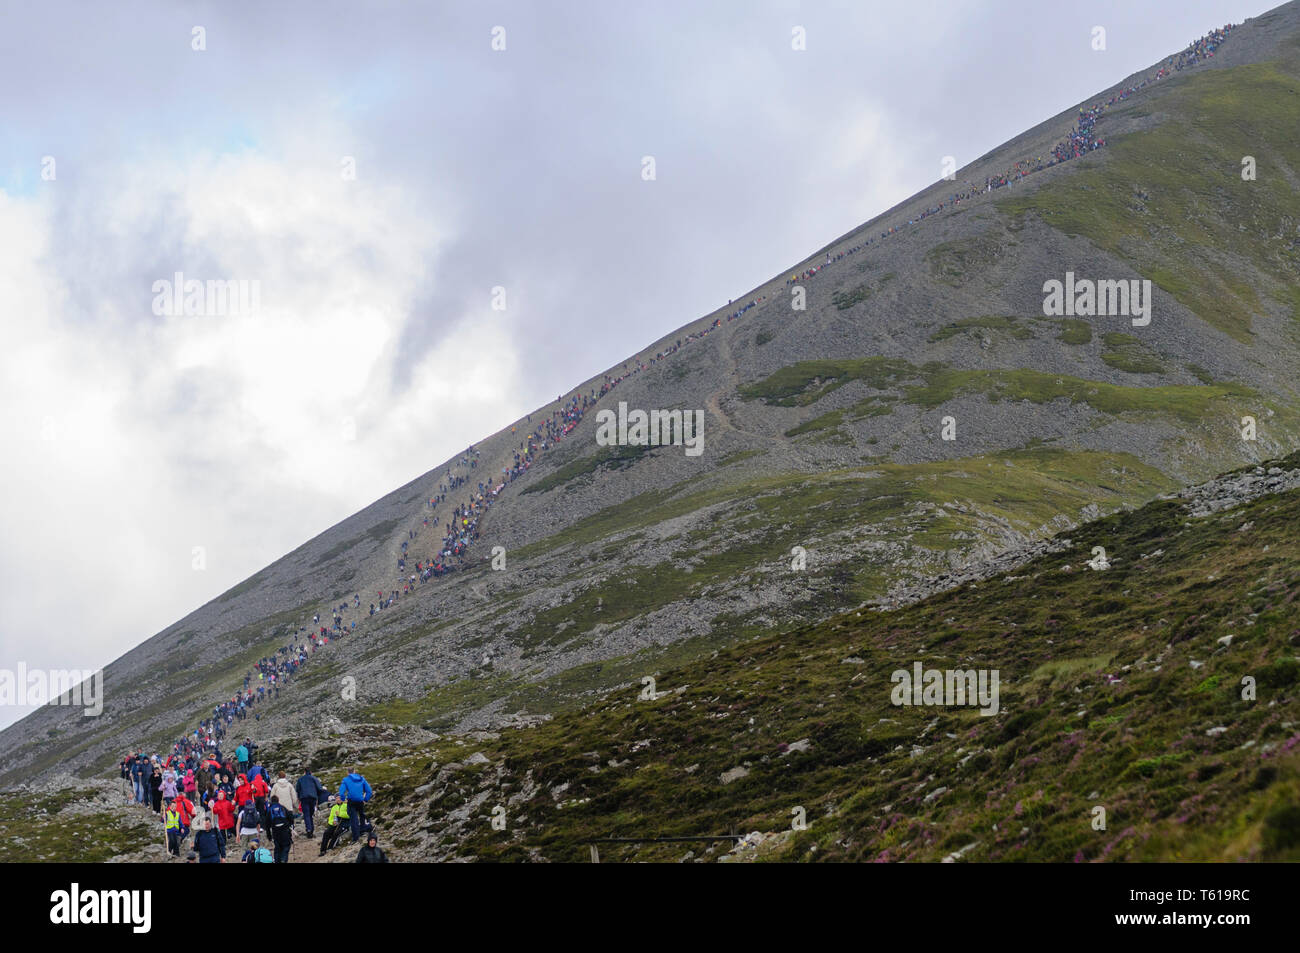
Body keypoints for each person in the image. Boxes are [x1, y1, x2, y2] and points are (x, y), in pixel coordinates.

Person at [338, 768, 373, 843]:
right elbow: (369, 791)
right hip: (360, 801)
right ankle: (363, 830)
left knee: (353, 819)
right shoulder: (362, 778)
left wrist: (343, 799)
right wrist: (365, 799)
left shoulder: (345, 779)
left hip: (351, 801)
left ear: (347, 773)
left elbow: (341, 793)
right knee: (362, 815)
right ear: (354, 771)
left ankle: (355, 838)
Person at [295, 768, 329, 839]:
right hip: (313, 798)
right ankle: (311, 829)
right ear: (311, 772)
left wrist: (299, 797)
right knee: (310, 813)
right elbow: (319, 788)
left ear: (304, 772)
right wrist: (317, 796)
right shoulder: (314, 778)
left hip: (304, 798)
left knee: (306, 814)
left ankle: (309, 830)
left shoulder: (300, 779)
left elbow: (297, 789)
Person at [266, 795, 294, 863]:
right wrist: (290, 825)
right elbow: (291, 817)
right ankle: (283, 859)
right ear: (278, 800)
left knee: (277, 847)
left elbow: (267, 825)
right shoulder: (283, 807)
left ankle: (277, 861)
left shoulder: (269, 810)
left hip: (275, 831)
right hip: (285, 829)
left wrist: (269, 836)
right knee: (286, 845)